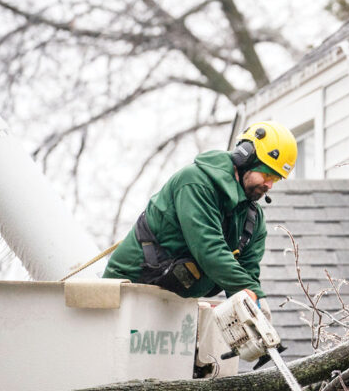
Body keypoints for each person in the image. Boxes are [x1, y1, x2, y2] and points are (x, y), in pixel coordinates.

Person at [104, 121, 297, 301]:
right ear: (245, 158)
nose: (269, 185)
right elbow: (209, 249)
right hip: (128, 289)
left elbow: (247, 274)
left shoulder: (253, 220)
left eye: (276, 178)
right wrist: (251, 294)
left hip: (173, 298)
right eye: (267, 174)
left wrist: (254, 305)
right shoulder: (195, 184)